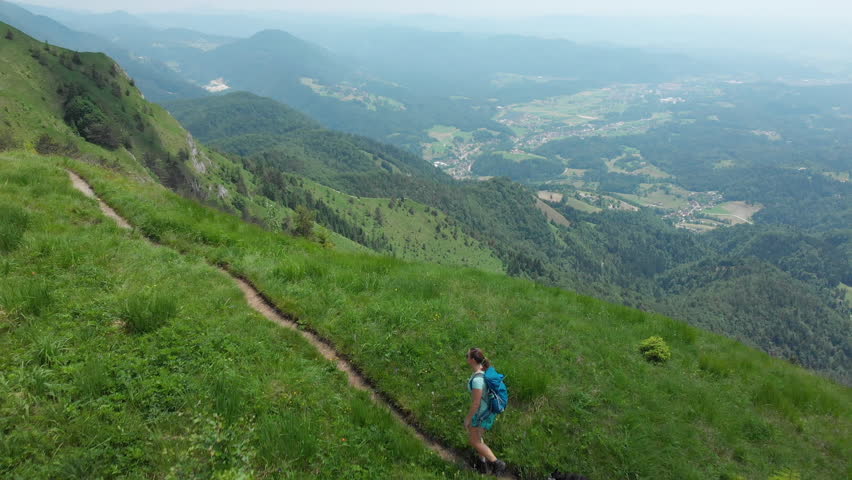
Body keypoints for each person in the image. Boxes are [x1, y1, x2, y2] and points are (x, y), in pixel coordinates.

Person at [465, 347, 506, 475]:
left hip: (481, 414)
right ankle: (482, 466)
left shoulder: (478, 380)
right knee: (478, 438)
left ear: (472, 360)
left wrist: (468, 418)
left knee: (474, 440)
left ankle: (496, 463)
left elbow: (476, 403)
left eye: (467, 356)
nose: (466, 358)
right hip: (488, 412)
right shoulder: (484, 372)